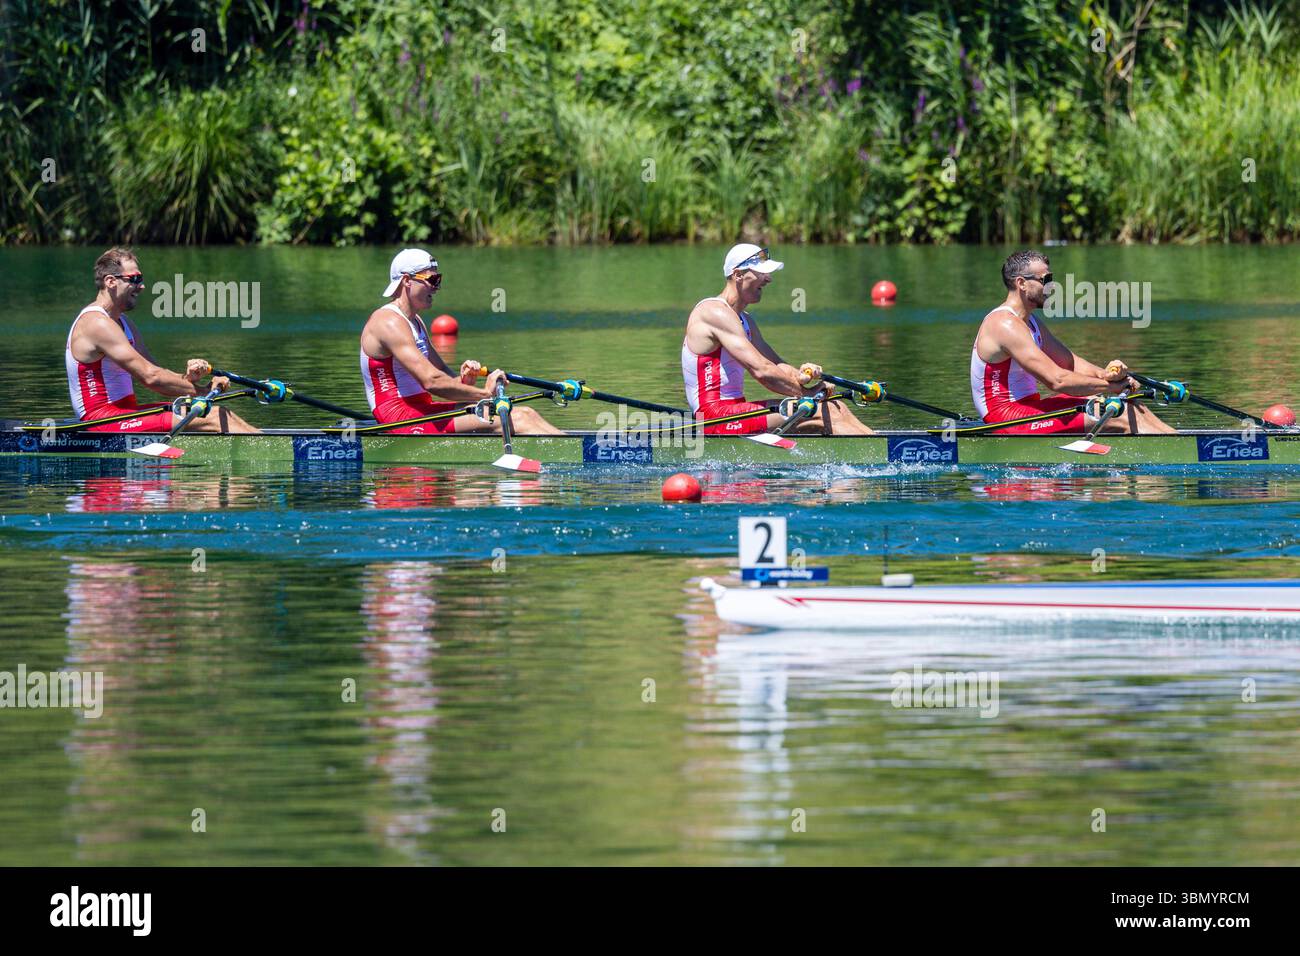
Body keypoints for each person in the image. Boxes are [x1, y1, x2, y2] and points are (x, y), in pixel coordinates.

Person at [360, 249, 563, 435]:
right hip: (399, 419)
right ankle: (575, 462)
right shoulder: (388, 322)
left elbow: (445, 379)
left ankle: (578, 453)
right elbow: (432, 382)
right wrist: (484, 393)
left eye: (438, 280)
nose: (437, 287)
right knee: (519, 418)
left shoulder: (415, 321)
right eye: (433, 279)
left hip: (422, 410)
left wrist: (465, 379)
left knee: (526, 412)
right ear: (407, 280)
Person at [971, 250, 1175, 434]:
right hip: (1005, 420)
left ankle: (1175, 441)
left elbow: (1069, 363)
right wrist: (1107, 386)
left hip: (1029, 409)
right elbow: (1057, 380)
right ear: (1021, 283)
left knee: (1129, 403)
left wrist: (1108, 376)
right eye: (1046, 279)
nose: (1051, 286)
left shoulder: (1031, 322)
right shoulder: (1004, 324)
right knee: (1116, 411)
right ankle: (1178, 452)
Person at [681, 243, 872, 435]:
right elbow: (762, 371)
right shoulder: (714, 312)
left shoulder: (745, 320)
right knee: (824, 409)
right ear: (738, 274)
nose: (768, 279)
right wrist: (808, 394)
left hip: (735, 412)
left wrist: (802, 375)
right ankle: (883, 456)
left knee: (835, 405)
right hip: (714, 417)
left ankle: (880, 446)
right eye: (761, 273)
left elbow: (776, 364)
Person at [67, 248, 258, 433]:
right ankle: (274, 456)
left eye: (140, 279)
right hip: (101, 422)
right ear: (110, 281)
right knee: (214, 416)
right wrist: (203, 391)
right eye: (134, 279)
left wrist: (189, 378)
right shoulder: (97, 323)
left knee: (218, 414)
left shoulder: (124, 323)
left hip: (124, 416)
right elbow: (152, 378)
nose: (141, 286)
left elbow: (155, 371)